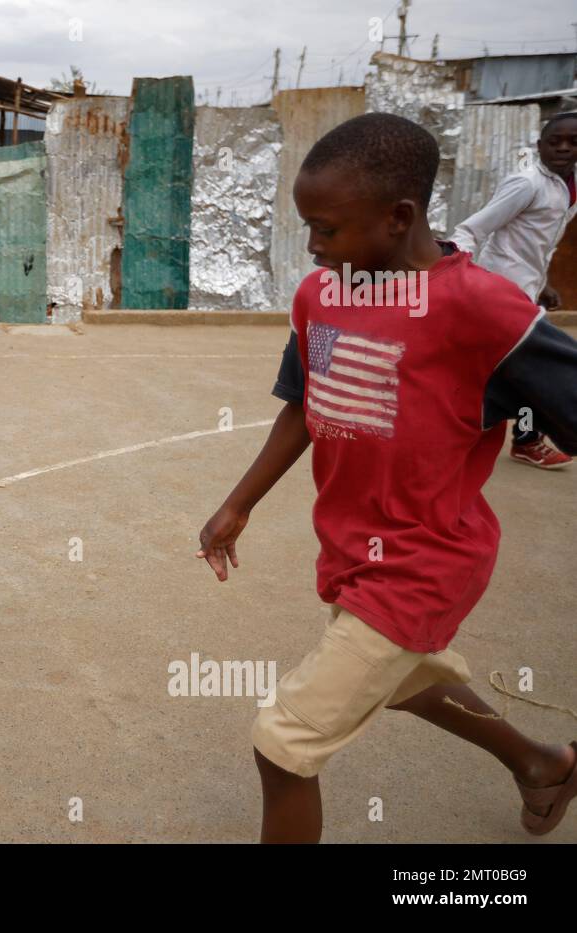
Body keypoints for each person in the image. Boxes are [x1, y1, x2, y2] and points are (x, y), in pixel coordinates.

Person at [197, 113, 577, 843]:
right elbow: (307, 403)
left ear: (399, 218)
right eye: (307, 225)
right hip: (351, 552)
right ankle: (541, 763)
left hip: (424, 564)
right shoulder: (321, 297)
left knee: (282, 742)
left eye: (327, 229)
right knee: (410, 680)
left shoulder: (483, 310)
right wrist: (236, 504)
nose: (312, 246)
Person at [451, 111, 577, 468]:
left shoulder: (570, 186)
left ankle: (523, 438)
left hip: (526, 290)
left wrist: (543, 282)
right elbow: (470, 230)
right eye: (556, 142)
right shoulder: (526, 184)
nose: (564, 148)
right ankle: (517, 437)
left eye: (573, 142)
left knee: (512, 371)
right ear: (540, 147)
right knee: (517, 370)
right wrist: (460, 277)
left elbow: (541, 243)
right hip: (498, 293)